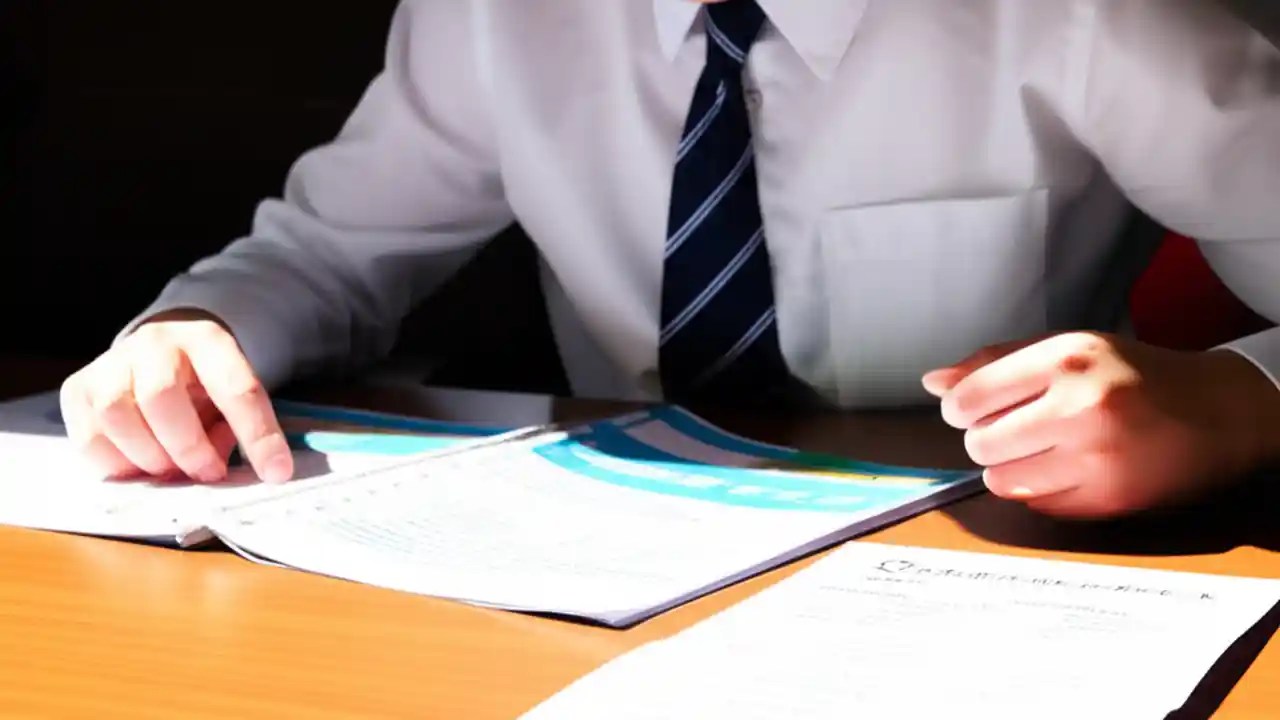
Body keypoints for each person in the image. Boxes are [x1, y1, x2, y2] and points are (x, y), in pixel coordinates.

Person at [60, 0, 1280, 519]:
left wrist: (1233, 407)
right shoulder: (494, 16)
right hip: (614, 560)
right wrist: (194, 331)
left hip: (977, 555)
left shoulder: (1096, 17)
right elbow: (326, 257)